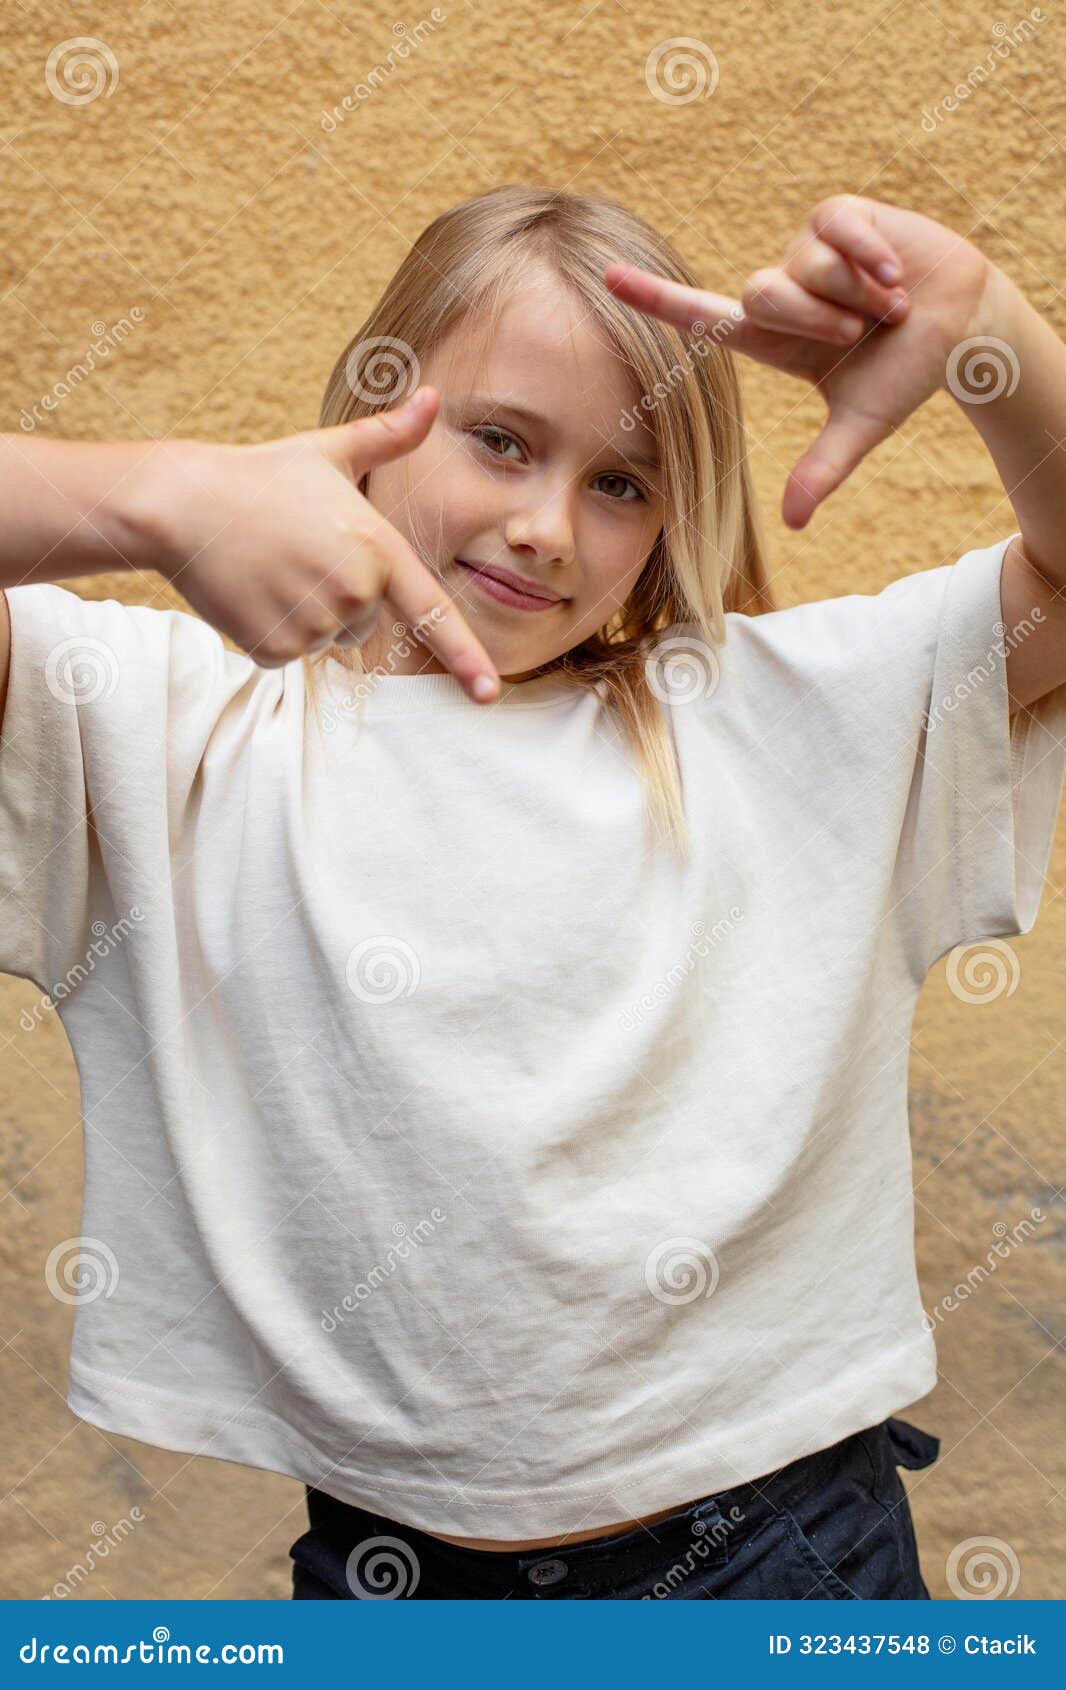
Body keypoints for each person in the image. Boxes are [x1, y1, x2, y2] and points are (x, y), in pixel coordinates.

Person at [2, 186, 1065, 1601]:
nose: (546, 527)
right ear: (374, 409)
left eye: (620, 482)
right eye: (500, 441)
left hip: (774, 1552)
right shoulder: (170, 728)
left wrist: (986, 331)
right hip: (387, 1569)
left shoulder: (778, 721)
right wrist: (151, 493)